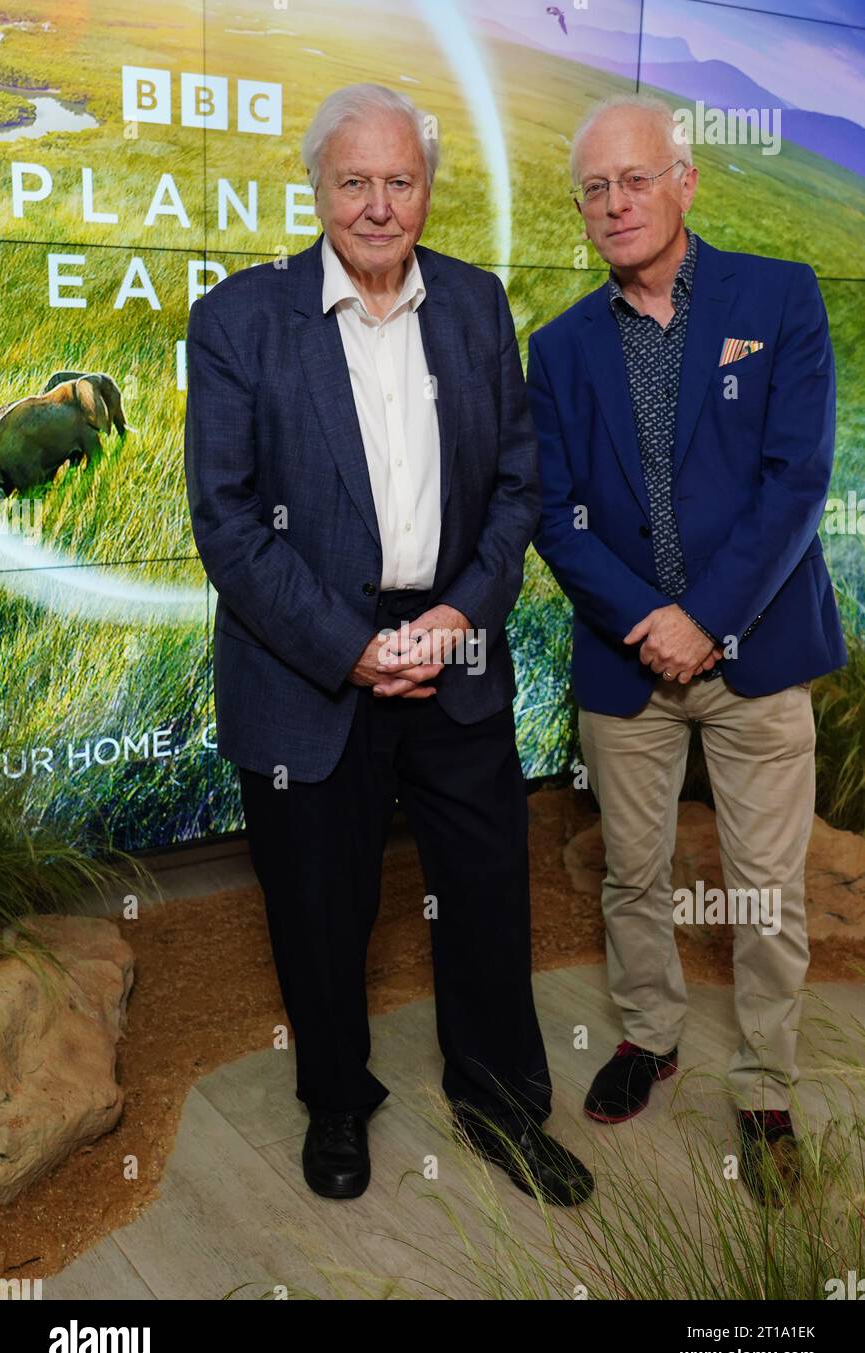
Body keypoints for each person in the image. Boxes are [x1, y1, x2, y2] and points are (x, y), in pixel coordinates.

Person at [184, 83, 592, 1207]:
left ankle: (503, 1109)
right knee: (318, 907)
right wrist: (354, 649)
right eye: (351, 181)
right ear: (317, 188)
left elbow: (515, 488)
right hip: (307, 668)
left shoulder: (472, 302)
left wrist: (458, 615)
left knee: (484, 890)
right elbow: (224, 520)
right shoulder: (238, 320)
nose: (375, 206)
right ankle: (335, 1101)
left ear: (426, 189)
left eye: (397, 181)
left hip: (455, 646)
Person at [527, 93, 845, 1204]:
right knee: (631, 873)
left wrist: (703, 619)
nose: (615, 204)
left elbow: (794, 483)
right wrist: (645, 624)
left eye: (634, 180)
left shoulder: (777, 295)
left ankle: (762, 1089)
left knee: (764, 888)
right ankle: (649, 1036)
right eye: (594, 190)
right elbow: (553, 513)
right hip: (626, 668)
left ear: (684, 181)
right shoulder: (557, 347)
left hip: (753, 656)